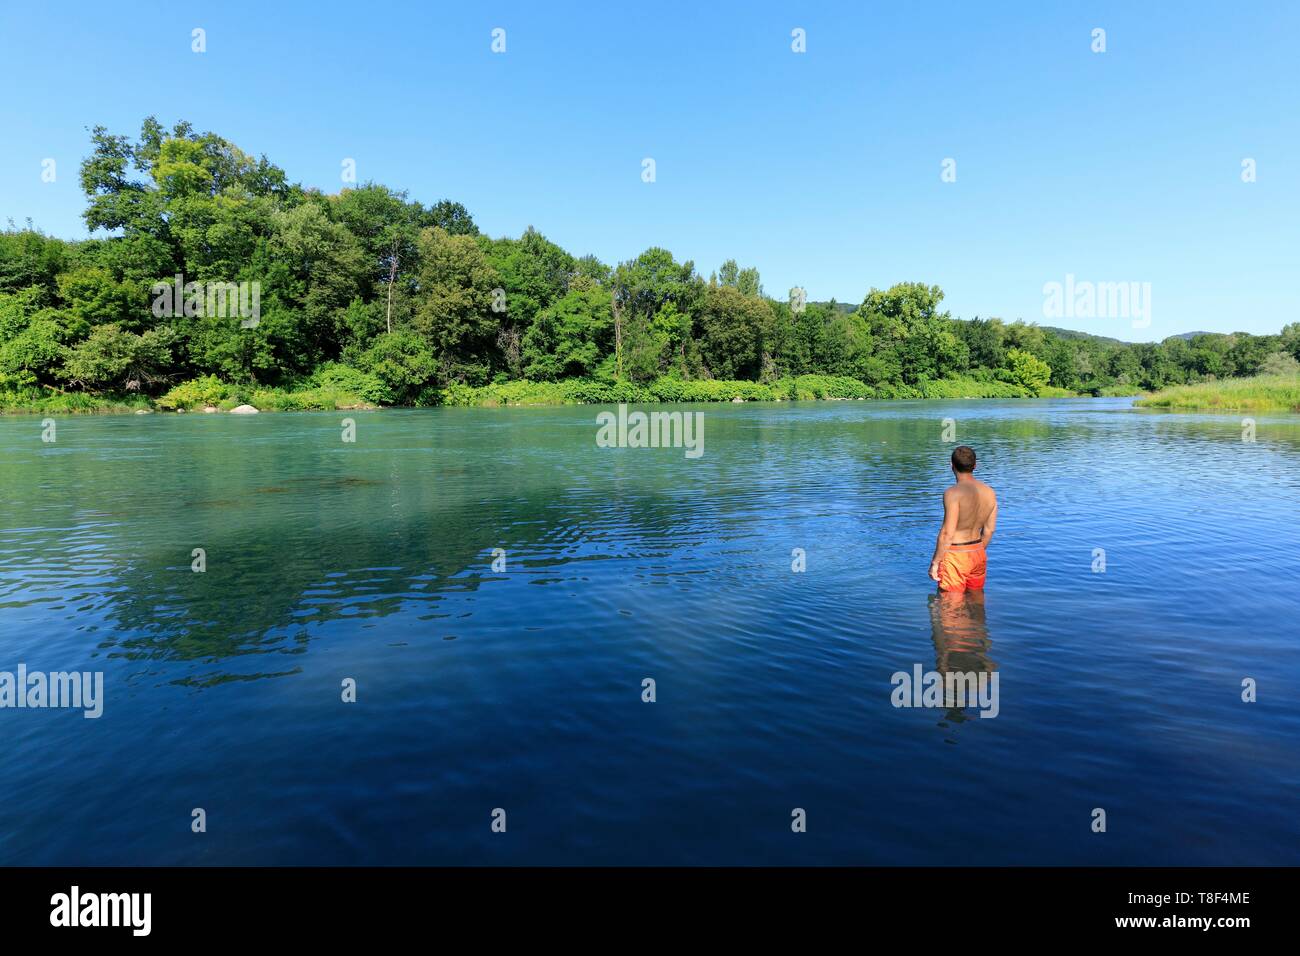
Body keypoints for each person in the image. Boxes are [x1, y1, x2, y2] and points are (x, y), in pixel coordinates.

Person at [928, 446, 997, 593]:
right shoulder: (990, 492)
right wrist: (976, 551)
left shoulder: (953, 493)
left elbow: (947, 533)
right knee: (977, 600)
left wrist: (935, 563)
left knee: (950, 607)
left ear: (951, 465)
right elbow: (989, 530)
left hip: (956, 556)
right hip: (978, 552)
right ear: (975, 465)